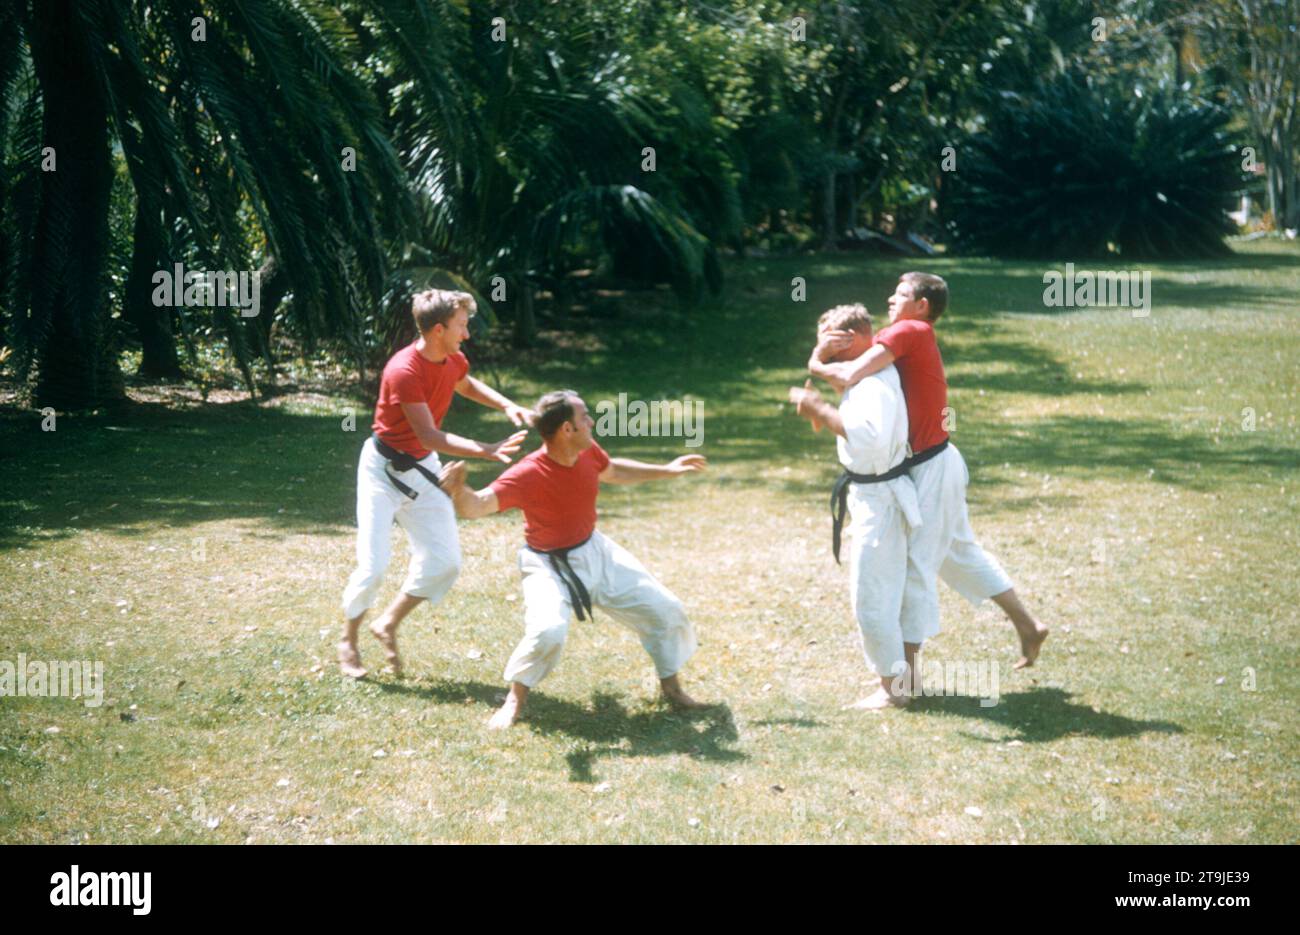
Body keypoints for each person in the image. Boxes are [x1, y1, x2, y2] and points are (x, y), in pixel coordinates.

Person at [808, 272, 1049, 673]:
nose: (890, 298)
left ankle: (907, 678)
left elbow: (849, 376)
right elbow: (858, 385)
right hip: (932, 463)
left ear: (922, 306)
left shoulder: (912, 330)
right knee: (956, 551)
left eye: (901, 294)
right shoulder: (902, 332)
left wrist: (815, 359)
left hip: (932, 467)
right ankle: (1028, 625)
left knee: (917, 568)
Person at [440, 390, 707, 729]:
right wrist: (457, 490)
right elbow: (476, 506)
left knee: (665, 608)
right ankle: (514, 699)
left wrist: (668, 470)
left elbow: (612, 471)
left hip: (595, 550)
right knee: (548, 631)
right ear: (567, 429)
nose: (592, 422)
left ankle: (672, 690)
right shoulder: (528, 473)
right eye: (585, 417)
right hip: (547, 564)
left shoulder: (587, 452)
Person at [338, 289, 531, 678]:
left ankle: (388, 622)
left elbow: (466, 384)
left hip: (423, 470)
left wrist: (506, 404)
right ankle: (348, 639)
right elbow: (428, 435)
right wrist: (487, 448)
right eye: (462, 326)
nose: (467, 334)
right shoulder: (403, 370)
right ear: (438, 329)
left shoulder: (450, 357)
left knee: (445, 562)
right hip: (382, 471)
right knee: (374, 567)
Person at [789, 304, 922, 709]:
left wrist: (821, 411)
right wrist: (825, 393)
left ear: (850, 339)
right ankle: (904, 681)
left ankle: (893, 690)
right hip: (876, 496)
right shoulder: (869, 375)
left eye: (828, 339)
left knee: (872, 596)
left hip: (881, 502)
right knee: (890, 591)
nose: (822, 348)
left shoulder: (873, 384)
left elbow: (869, 439)